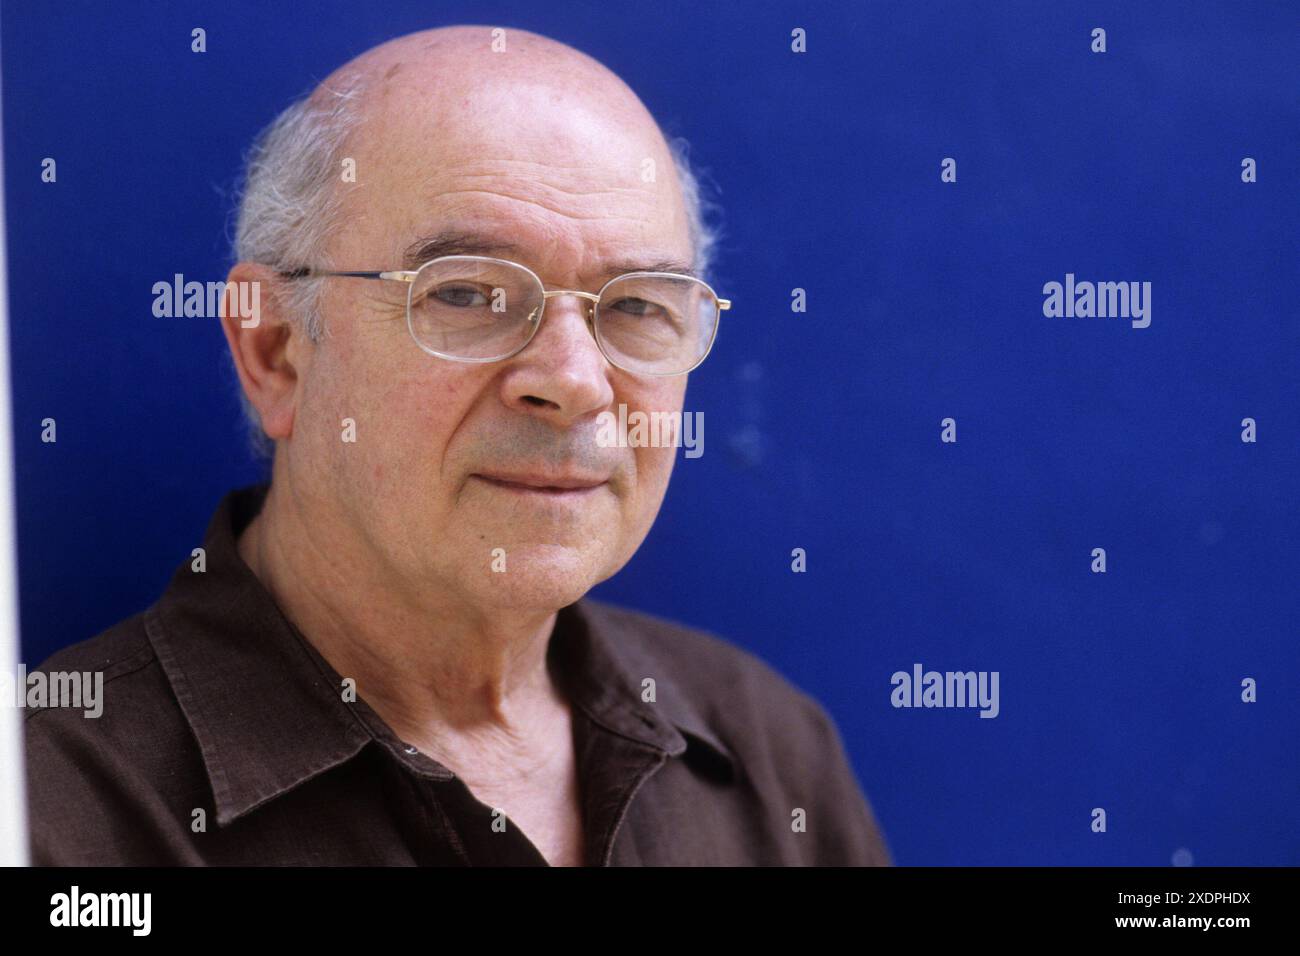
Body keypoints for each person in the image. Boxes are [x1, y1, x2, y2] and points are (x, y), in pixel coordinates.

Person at [24, 25, 890, 866]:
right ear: (276, 351)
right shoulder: (49, 815)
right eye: (469, 294)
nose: (575, 381)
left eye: (635, 306)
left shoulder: (770, 751)